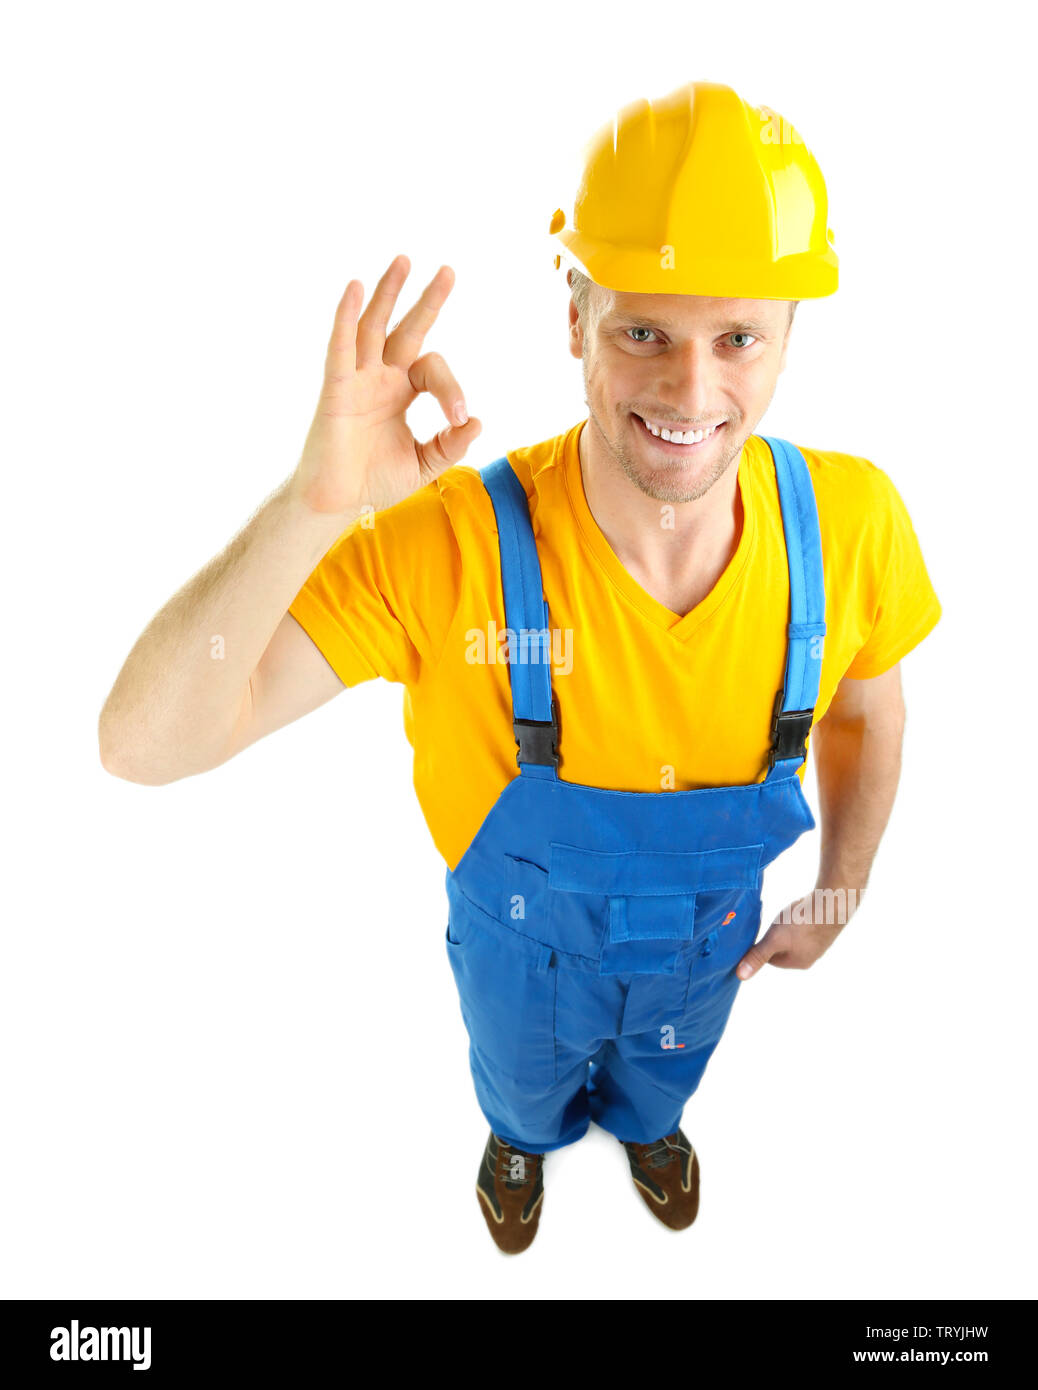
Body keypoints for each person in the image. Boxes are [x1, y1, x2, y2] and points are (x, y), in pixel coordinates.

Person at [99, 81, 942, 1256]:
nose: (691, 393)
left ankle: (651, 1127)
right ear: (574, 318)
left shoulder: (852, 523)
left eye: (736, 337)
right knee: (521, 1076)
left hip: (710, 948)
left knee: (669, 1077)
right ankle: (520, 1138)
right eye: (642, 329)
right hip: (515, 952)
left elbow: (871, 711)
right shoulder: (447, 545)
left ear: (792, 335)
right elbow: (141, 745)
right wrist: (312, 509)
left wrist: (842, 890)